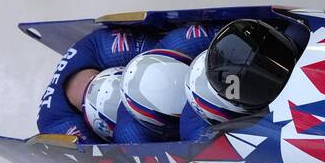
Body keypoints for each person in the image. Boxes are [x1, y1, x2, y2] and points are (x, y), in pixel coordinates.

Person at [36, 23, 218, 143]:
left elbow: (159, 55)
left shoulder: (107, 47)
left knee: (172, 47)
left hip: (107, 50)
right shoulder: (58, 124)